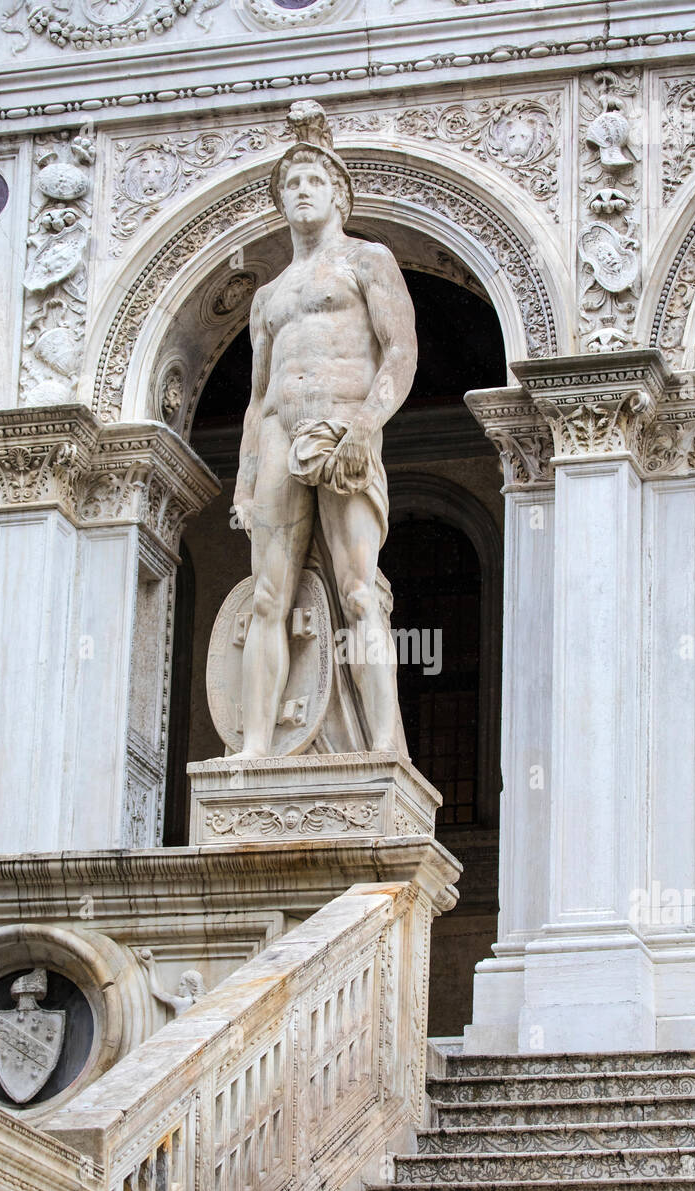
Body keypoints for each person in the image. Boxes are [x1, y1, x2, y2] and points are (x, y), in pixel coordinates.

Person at [232, 101, 417, 757]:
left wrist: (366, 428)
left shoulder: (368, 261)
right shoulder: (268, 295)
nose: (301, 192)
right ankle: (255, 746)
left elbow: (400, 353)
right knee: (267, 599)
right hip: (281, 434)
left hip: (344, 429)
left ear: (338, 194)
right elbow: (257, 398)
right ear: (281, 202)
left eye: (313, 181)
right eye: (291, 184)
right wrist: (246, 477)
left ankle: (386, 744)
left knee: (361, 592)